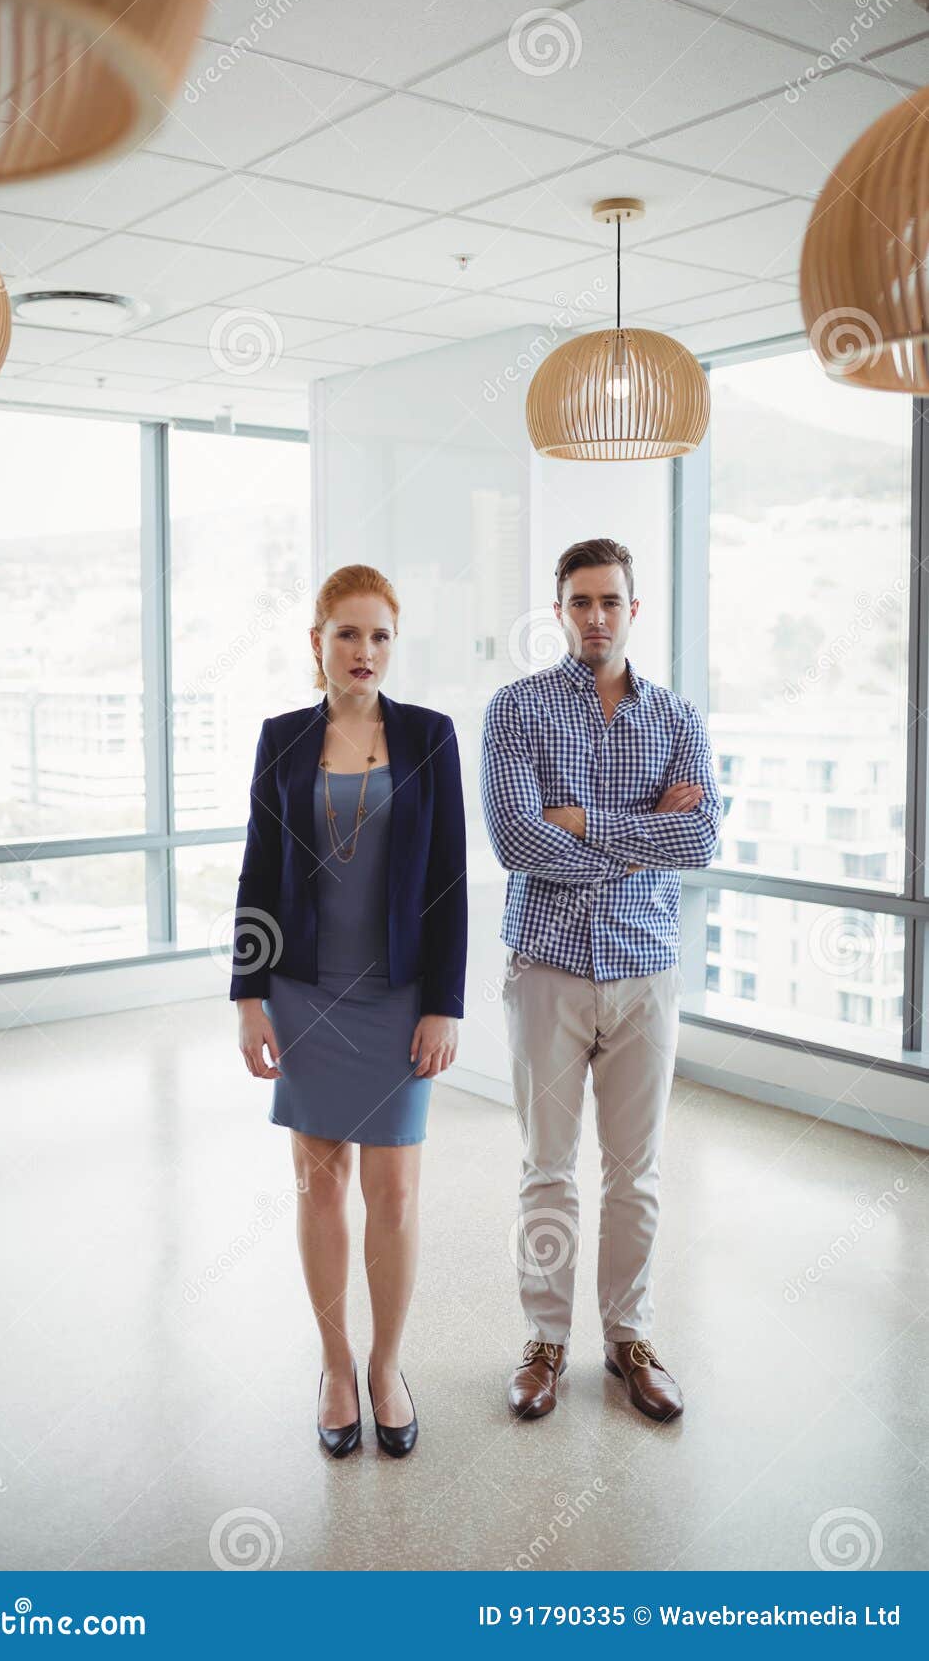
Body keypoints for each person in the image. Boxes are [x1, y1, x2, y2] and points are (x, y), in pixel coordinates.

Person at [481, 537, 722, 1425]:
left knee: (637, 1173)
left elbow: (698, 841)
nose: (594, 617)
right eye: (578, 602)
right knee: (547, 1169)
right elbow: (515, 841)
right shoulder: (514, 710)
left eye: (609, 601)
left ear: (633, 609)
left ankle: (630, 1339)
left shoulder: (679, 719)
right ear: (557, 611)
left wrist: (582, 826)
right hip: (545, 966)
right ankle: (544, 1343)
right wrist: (638, 831)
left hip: (645, 968)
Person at [231, 563, 467, 1459]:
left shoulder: (431, 738)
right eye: (346, 634)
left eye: (379, 637)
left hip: (400, 995)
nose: (363, 652)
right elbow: (258, 871)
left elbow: (447, 885)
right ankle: (334, 1365)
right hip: (303, 992)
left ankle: (385, 1366)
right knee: (319, 1181)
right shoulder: (282, 740)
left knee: (395, 1190)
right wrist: (248, 996)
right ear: (316, 642)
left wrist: (442, 1005)